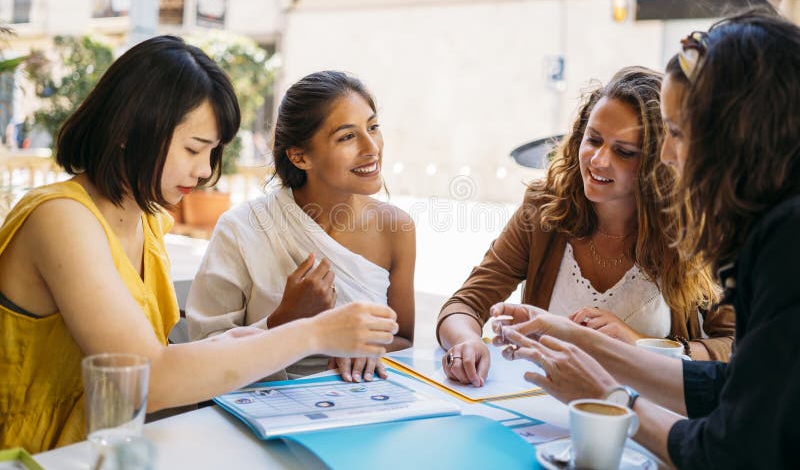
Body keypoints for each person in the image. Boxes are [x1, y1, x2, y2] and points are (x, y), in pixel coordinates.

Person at [0, 37, 398, 454]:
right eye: (193, 149)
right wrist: (314, 333)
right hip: (34, 454)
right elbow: (150, 379)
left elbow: (167, 360)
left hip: (103, 449)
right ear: (127, 130)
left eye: (213, 152)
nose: (205, 170)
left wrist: (270, 330)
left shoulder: (147, 220)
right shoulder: (61, 218)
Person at [495, 11, 800, 468]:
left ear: (734, 137)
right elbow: (731, 385)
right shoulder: (776, 228)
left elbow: (730, 450)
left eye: (677, 133)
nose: (668, 155)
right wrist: (582, 341)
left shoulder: (787, 244)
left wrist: (608, 396)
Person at [437, 66, 735, 387]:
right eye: (593, 140)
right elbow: (464, 304)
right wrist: (465, 342)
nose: (598, 160)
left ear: (660, 163)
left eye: (624, 152)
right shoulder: (544, 208)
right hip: (544, 410)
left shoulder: (693, 229)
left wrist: (642, 346)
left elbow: (740, 345)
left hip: (649, 419)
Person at [187, 70, 415, 382]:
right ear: (300, 156)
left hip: (361, 403)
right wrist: (285, 320)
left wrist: (371, 348)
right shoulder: (241, 230)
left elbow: (403, 340)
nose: (371, 147)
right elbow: (201, 357)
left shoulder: (397, 229)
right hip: (261, 407)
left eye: (373, 127)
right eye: (348, 136)